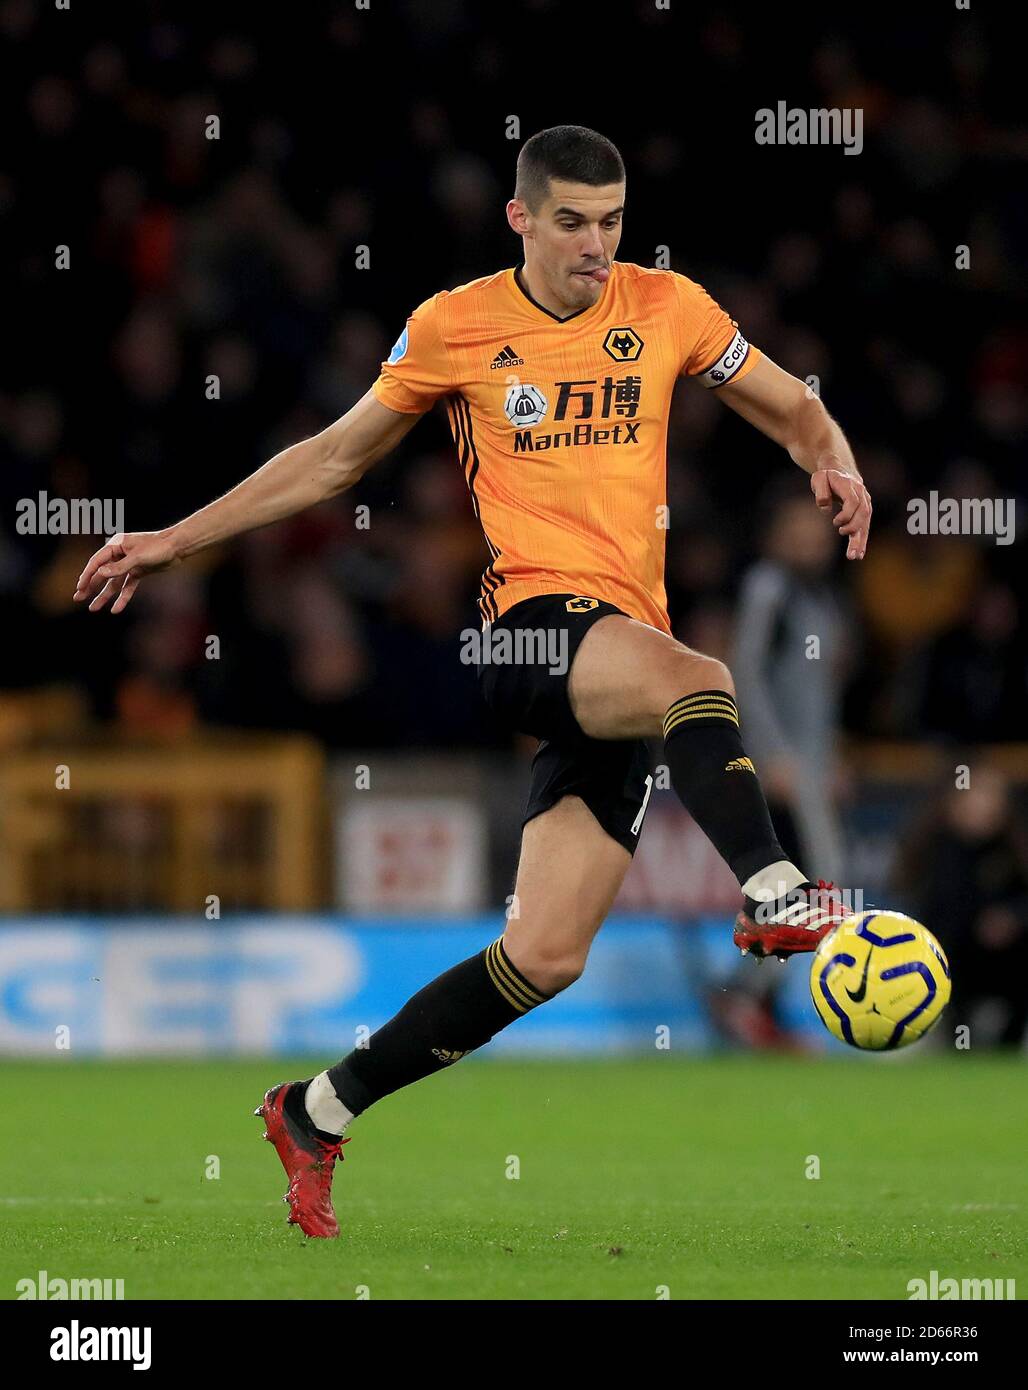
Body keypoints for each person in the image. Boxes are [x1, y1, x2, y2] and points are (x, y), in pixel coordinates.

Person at [74, 125, 872, 1238]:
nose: (596, 245)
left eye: (610, 221)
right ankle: (776, 891)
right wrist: (177, 539)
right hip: (527, 635)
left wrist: (829, 457)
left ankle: (315, 1107)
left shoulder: (666, 306)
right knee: (702, 679)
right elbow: (332, 458)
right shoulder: (455, 325)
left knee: (542, 956)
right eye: (572, 222)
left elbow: (790, 403)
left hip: (616, 658)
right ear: (520, 219)